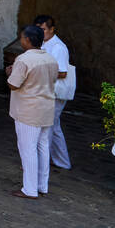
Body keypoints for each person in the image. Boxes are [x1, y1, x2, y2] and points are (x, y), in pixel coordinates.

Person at [5, 24, 59, 199]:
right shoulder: (50, 58)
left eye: (22, 37)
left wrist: (9, 73)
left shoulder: (24, 59)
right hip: (46, 107)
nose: (21, 40)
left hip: (28, 110)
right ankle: (42, 185)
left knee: (28, 149)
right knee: (43, 147)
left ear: (27, 40)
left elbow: (13, 84)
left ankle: (29, 189)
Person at [35, 14, 73, 171]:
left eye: (43, 29)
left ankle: (41, 163)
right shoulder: (43, 44)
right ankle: (62, 161)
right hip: (47, 91)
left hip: (55, 93)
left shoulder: (57, 47)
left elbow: (62, 72)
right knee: (54, 127)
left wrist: (39, 72)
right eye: (38, 30)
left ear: (52, 29)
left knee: (47, 127)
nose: (41, 33)